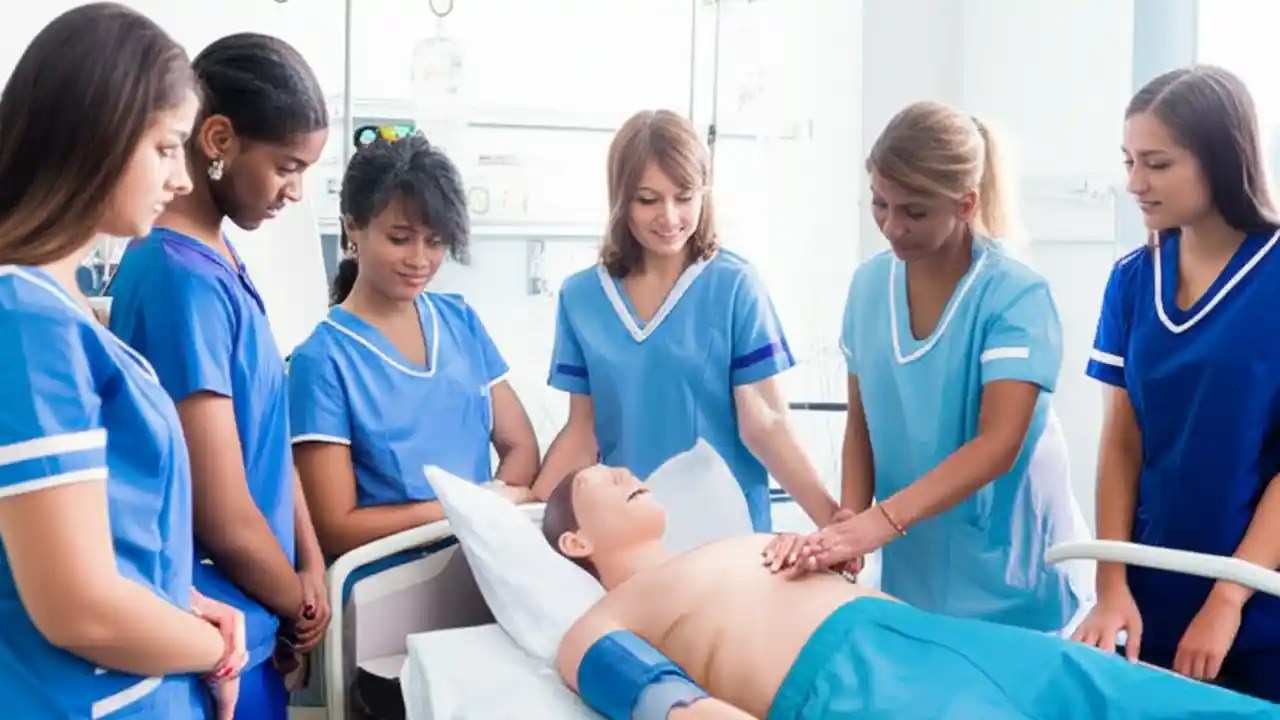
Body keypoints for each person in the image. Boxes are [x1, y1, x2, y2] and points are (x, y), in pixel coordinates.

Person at [540, 465, 1277, 719]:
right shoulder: (601, 619)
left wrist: (825, 559)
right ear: (576, 541)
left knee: (1125, 694)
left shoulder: (727, 545)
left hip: (938, 638)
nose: (618, 469)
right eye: (595, 480)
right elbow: (659, 699)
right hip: (851, 683)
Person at [0, 4, 245, 718]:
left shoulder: (60, 308)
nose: (181, 178)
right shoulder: (24, 319)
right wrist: (214, 649)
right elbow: (80, 607)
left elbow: (96, 541)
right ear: (96, 134)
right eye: (168, 147)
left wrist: (185, 604)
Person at [781, 100, 1093, 635]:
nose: (892, 226)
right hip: (912, 574)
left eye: (914, 211)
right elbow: (863, 424)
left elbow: (998, 445)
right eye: (880, 204)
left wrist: (878, 523)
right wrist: (849, 522)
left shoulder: (1015, 296)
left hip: (1010, 583)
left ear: (966, 204)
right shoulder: (867, 287)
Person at [106, 31, 331, 718]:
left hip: (261, 612)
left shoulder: (221, 258)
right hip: (216, 641)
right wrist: (296, 603)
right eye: (286, 167)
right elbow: (222, 514)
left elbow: (266, 438)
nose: (294, 192)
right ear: (219, 138)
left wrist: (311, 570)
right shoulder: (180, 279)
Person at [1073, 65, 1280, 703]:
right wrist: (1111, 586)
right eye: (1130, 161)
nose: (1135, 183)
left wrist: (1228, 597)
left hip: (1257, 601)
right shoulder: (1133, 280)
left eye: (1157, 164)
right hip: (1148, 597)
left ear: (1219, 159)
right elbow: (1122, 444)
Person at [531, 109, 838, 534]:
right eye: (648, 199)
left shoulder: (734, 286)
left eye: (684, 196)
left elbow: (766, 423)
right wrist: (524, 513)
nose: (670, 217)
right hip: (632, 535)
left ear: (703, 195)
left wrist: (832, 520)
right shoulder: (581, 298)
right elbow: (582, 433)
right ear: (620, 199)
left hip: (727, 533)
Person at [288, 133, 540, 559]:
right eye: (400, 239)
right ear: (353, 227)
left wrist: (489, 510)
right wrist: (468, 508)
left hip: (484, 558)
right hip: (386, 583)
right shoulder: (323, 360)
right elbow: (334, 526)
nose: (420, 259)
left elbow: (520, 445)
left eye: (436, 241)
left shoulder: (459, 321)